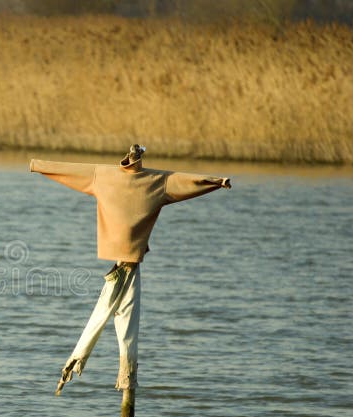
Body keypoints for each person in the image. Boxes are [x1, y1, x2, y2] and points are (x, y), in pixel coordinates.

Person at [30, 145, 231, 403]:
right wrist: (38, 165)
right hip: (124, 265)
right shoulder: (142, 179)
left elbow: (188, 182)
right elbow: (67, 171)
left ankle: (86, 368)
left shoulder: (150, 180)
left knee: (115, 323)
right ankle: (110, 380)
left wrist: (215, 182)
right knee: (117, 325)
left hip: (126, 264)